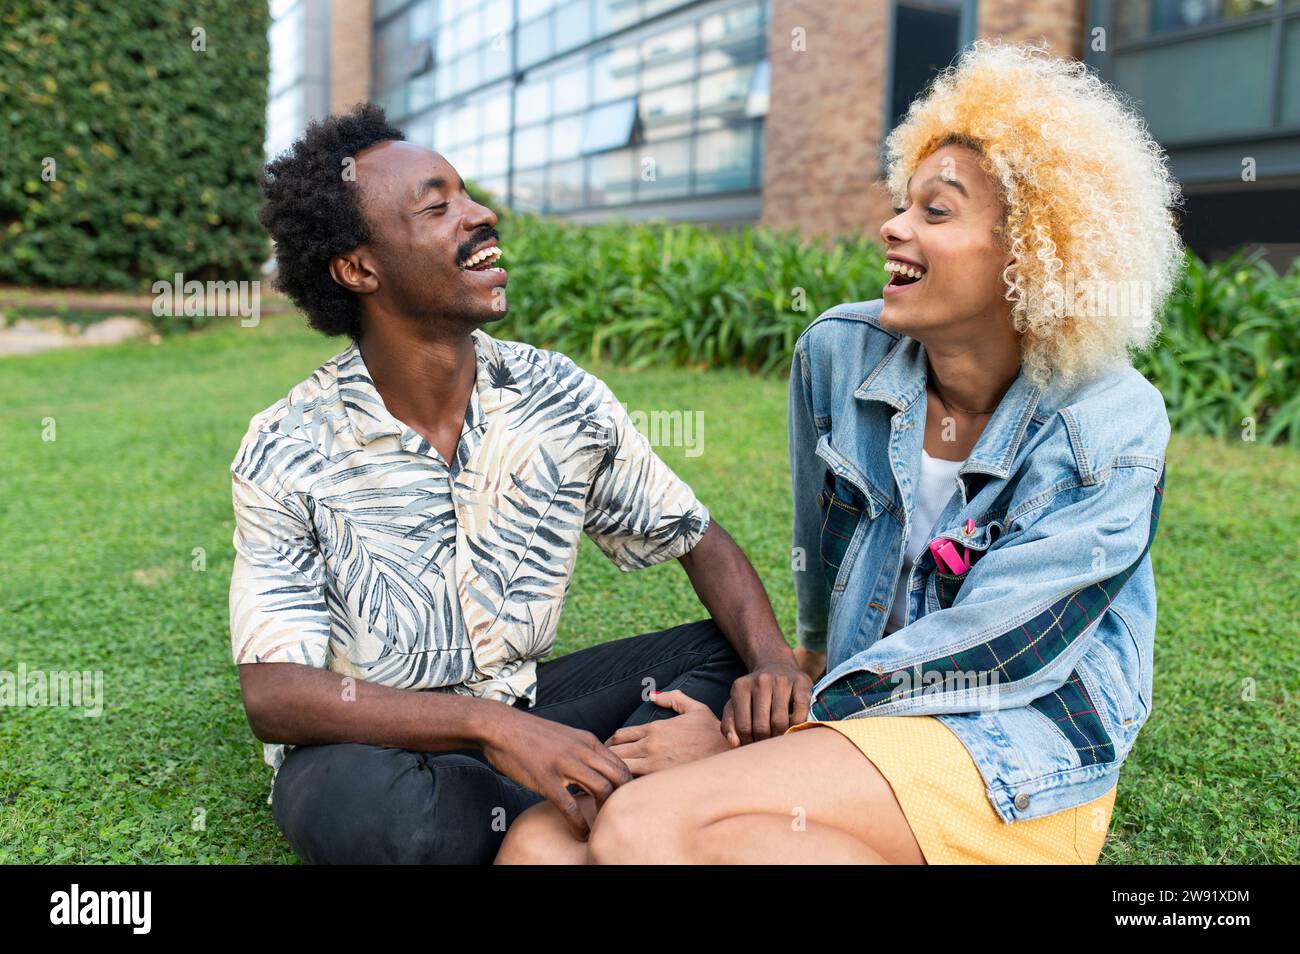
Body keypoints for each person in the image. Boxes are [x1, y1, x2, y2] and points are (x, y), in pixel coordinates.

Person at [496, 41, 1182, 865]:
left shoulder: (1108, 422)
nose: (892, 225)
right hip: (857, 723)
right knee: (541, 842)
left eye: (936, 211)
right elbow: (819, 567)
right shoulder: (842, 354)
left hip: (1014, 746)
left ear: (1031, 253)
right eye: (903, 203)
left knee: (644, 823)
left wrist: (780, 734)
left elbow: (1006, 648)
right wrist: (790, 674)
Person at [230, 103, 810, 864]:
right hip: (371, 744)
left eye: (467, 194)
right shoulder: (288, 442)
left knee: (732, 658)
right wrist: (492, 728)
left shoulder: (555, 396)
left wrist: (770, 661)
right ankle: (630, 787)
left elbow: (695, 536)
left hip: (532, 701)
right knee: (393, 823)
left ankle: (578, 795)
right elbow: (275, 696)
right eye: (438, 207)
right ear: (359, 268)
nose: (482, 215)